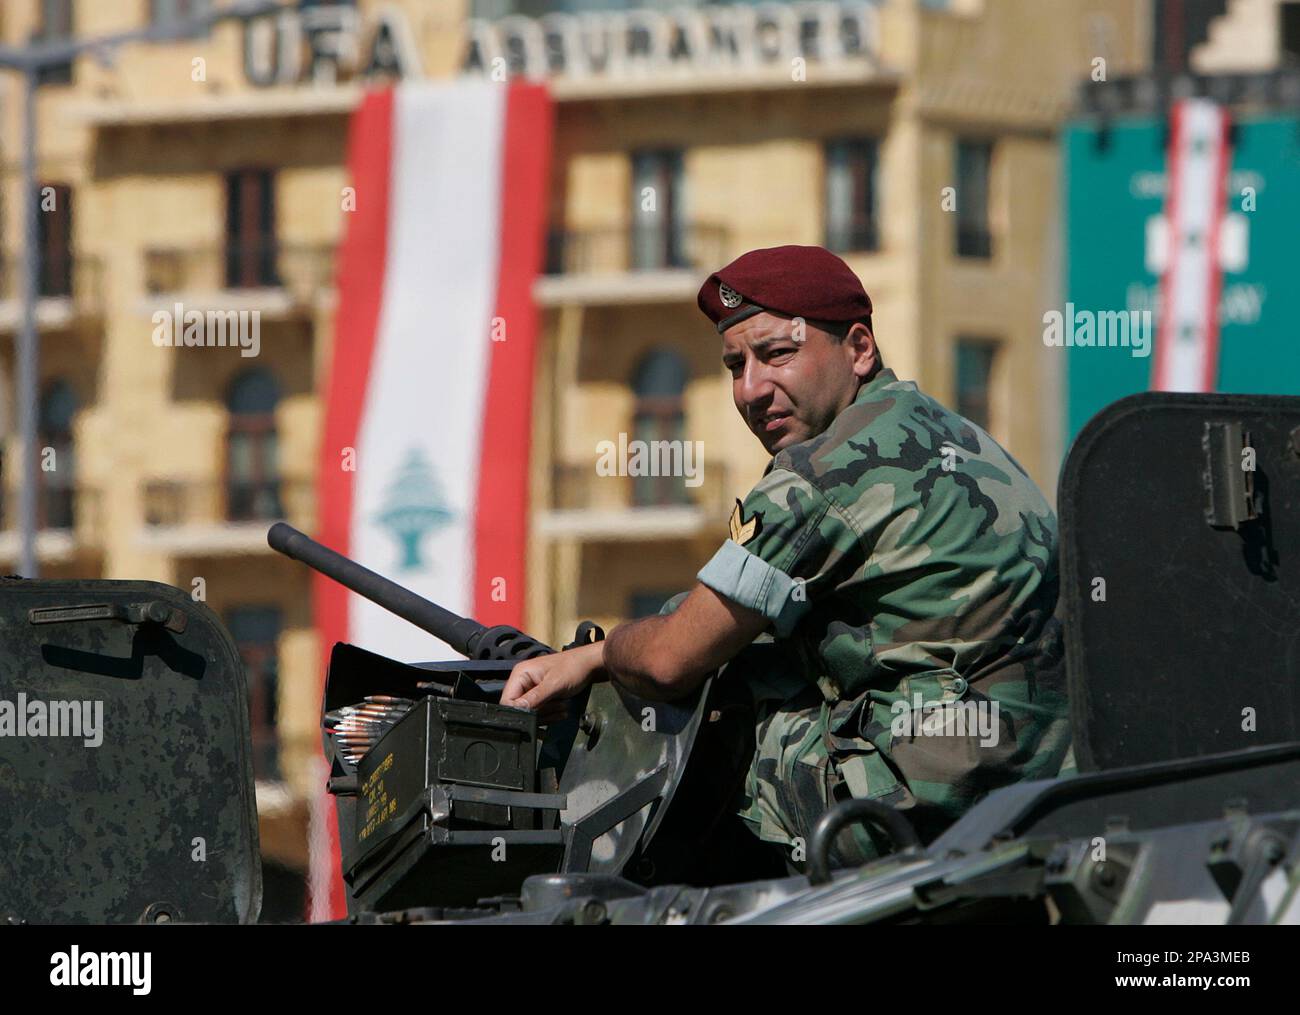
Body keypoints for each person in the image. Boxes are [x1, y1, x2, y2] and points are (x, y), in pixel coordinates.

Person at [503, 244, 1070, 868]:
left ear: (858, 349)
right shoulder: (946, 431)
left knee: (695, 717)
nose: (751, 389)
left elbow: (669, 661)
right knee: (743, 662)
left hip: (929, 800)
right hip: (1044, 778)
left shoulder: (822, 473)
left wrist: (599, 658)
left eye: (778, 354)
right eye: (735, 365)